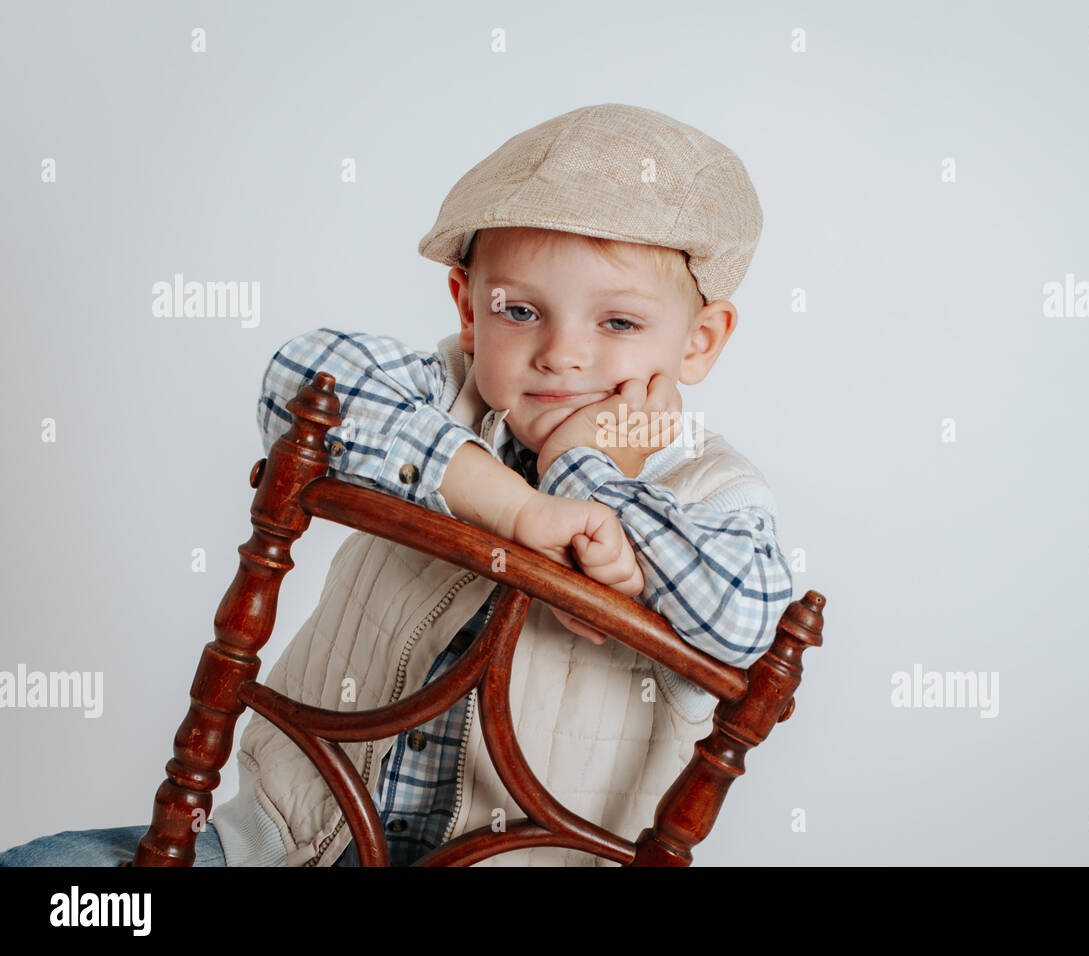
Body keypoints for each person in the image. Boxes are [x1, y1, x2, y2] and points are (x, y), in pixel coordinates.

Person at [0, 102, 793, 867]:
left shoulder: (712, 492)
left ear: (700, 341)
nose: (562, 354)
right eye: (520, 311)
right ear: (468, 308)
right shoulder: (443, 396)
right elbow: (302, 379)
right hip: (294, 841)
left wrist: (582, 469)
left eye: (617, 324)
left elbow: (743, 620)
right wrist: (520, 508)